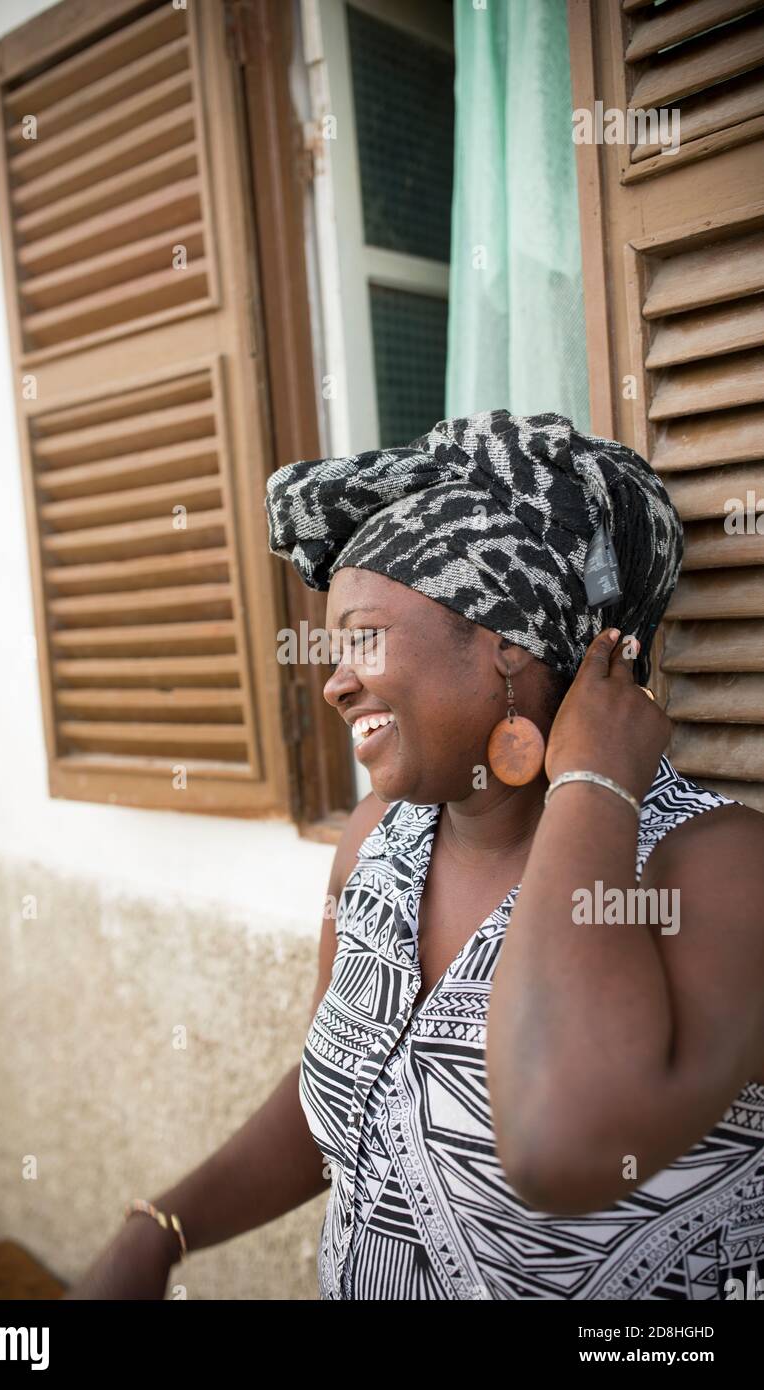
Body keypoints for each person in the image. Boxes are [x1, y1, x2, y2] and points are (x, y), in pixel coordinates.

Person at [66, 410, 764, 1300]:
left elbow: (560, 1143)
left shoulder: (715, 870)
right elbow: (344, 1099)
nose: (333, 681)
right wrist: (162, 1228)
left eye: (362, 637)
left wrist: (590, 781)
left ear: (508, 643)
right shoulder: (380, 841)